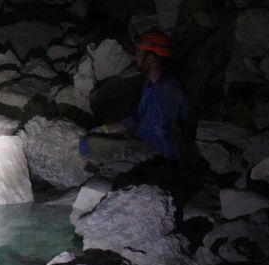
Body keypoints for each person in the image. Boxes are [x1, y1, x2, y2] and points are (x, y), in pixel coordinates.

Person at [79, 31, 192, 166]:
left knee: (86, 144)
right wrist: (105, 129)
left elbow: (169, 132)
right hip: (140, 138)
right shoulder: (151, 84)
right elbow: (137, 117)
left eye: (139, 52)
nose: (135, 57)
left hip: (153, 151)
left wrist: (166, 165)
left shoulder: (168, 88)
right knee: (94, 137)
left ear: (150, 59)